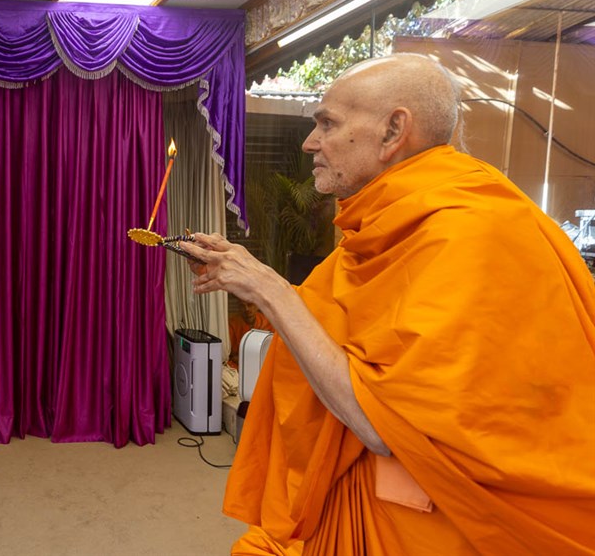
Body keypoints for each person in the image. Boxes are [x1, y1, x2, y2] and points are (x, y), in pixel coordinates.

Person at [179, 53, 595, 554]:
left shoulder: (470, 231)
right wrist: (244, 280)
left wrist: (269, 287)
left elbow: (383, 426)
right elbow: (332, 329)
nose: (310, 142)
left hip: (437, 517)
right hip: (365, 494)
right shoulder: (387, 222)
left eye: (327, 123)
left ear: (394, 130)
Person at [226, 296, 274, 369]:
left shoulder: (267, 323)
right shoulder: (232, 325)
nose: (247, 309)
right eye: (242, 306)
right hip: (239, 366)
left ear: (257, 306)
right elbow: (229, 356)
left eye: (250, 305)